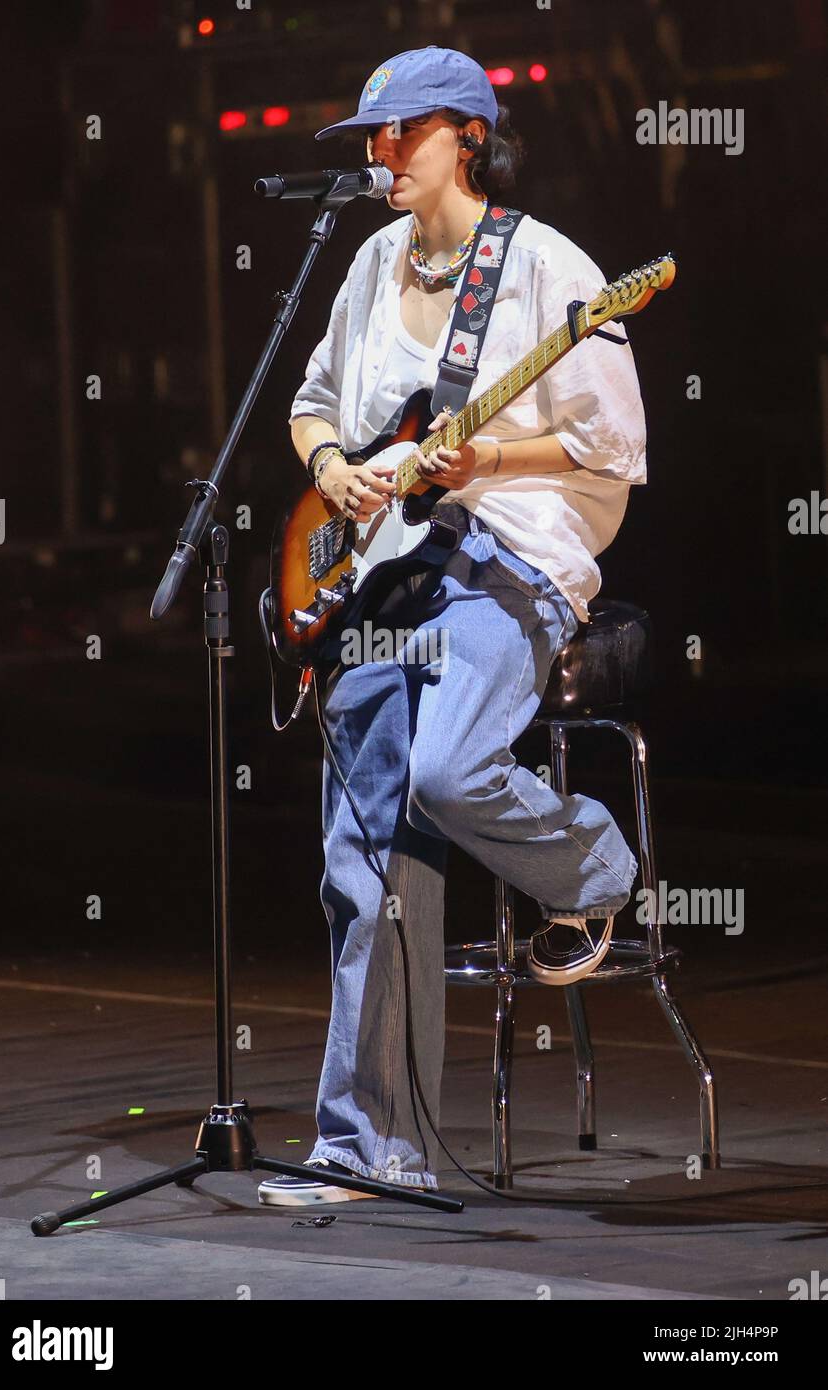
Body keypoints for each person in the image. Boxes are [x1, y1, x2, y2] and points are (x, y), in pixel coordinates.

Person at [258, 47, 646, 1207]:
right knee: (362, 847)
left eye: (398, 133)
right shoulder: (372, 262)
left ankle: (591, 865)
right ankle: (368, 1145)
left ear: (464, 134)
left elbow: (613, 453)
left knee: (445, 768)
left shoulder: (544, 265)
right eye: (368, 138)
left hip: (511, 557)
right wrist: (337, 469)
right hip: (385, 568)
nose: (378, 153)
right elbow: (311, 404)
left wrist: (485, 456)